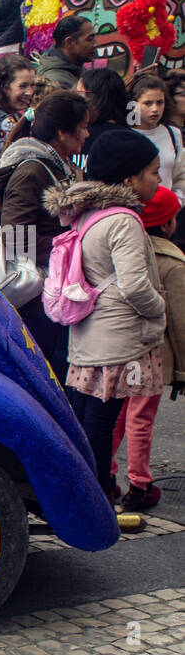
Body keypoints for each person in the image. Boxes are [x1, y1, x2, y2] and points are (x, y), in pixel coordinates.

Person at [44, 129, 165, 506]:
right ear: (129, 179)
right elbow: (134, 285)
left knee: (85, 418)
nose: (158, 180)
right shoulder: (124, 220)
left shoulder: (88, 214)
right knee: (101, 421)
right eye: (153, 172)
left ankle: (85, 489)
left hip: (88, 330)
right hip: (117, 337)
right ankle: (94, 495)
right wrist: (160, 308)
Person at [0, 90, 90, 381]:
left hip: (54, 284)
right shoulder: (33, 169)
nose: (86, 134)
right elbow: (15, 235)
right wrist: (69, 248)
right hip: (37, 295)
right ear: (61, 132)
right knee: (43, 374)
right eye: (81, 126)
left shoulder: (61, 165)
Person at [113, 184, 185, 508]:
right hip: (153, 352)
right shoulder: (173, 263)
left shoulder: (125, 249)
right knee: (141, 416)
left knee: (116, 414)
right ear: (169, 224)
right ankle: (140, 483)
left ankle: (105, 472)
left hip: (120, 346)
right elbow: (181, 321)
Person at [128, 74, 185, 204]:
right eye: (148, 103)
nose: (155, 109)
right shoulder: (125, 135)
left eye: (160, 103)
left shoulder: (173, 134)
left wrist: (177, 202)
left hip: (167, 211)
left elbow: (181, 175)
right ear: (134, 104)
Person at [76, 68, 131, 160]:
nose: (74, 100)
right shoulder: (133, 140)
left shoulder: (74, 139)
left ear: (94, 98)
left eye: (79, 93)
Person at [35, 15, 97, 90]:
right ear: (69, 43)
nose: (96, 44)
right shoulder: (55, 83)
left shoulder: (76, 69)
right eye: (90, 39)